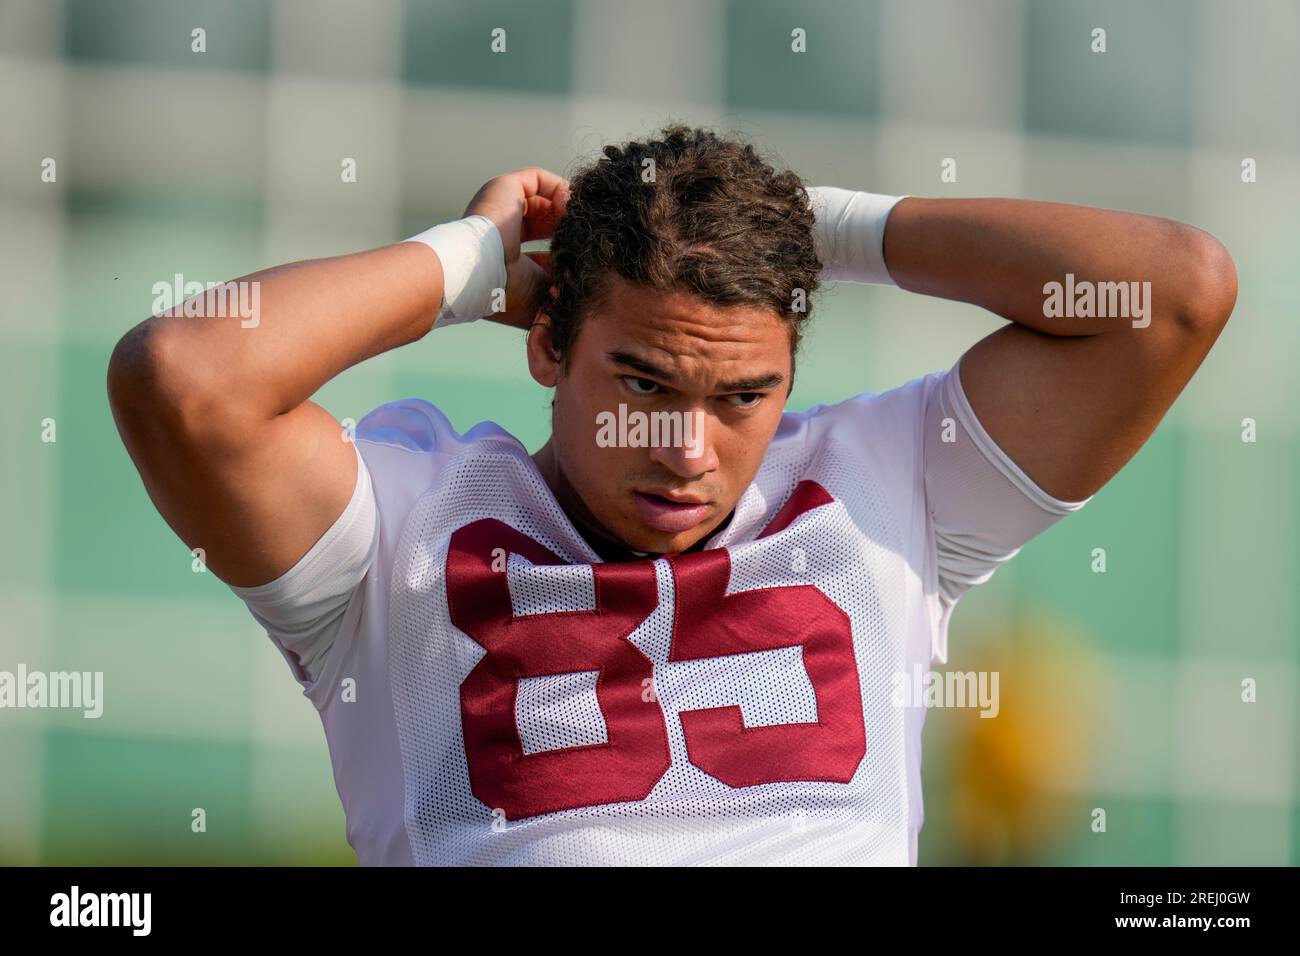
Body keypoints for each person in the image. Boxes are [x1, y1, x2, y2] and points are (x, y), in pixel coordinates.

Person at [106, 124, 1237, 865]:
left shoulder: (893, 484)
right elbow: (185, 376)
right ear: (546, 340)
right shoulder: (404, 527)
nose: (686, 449)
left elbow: (1174, 292)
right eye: (641, 383)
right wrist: (464, 261)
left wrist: (823, 226)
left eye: (742, 395)